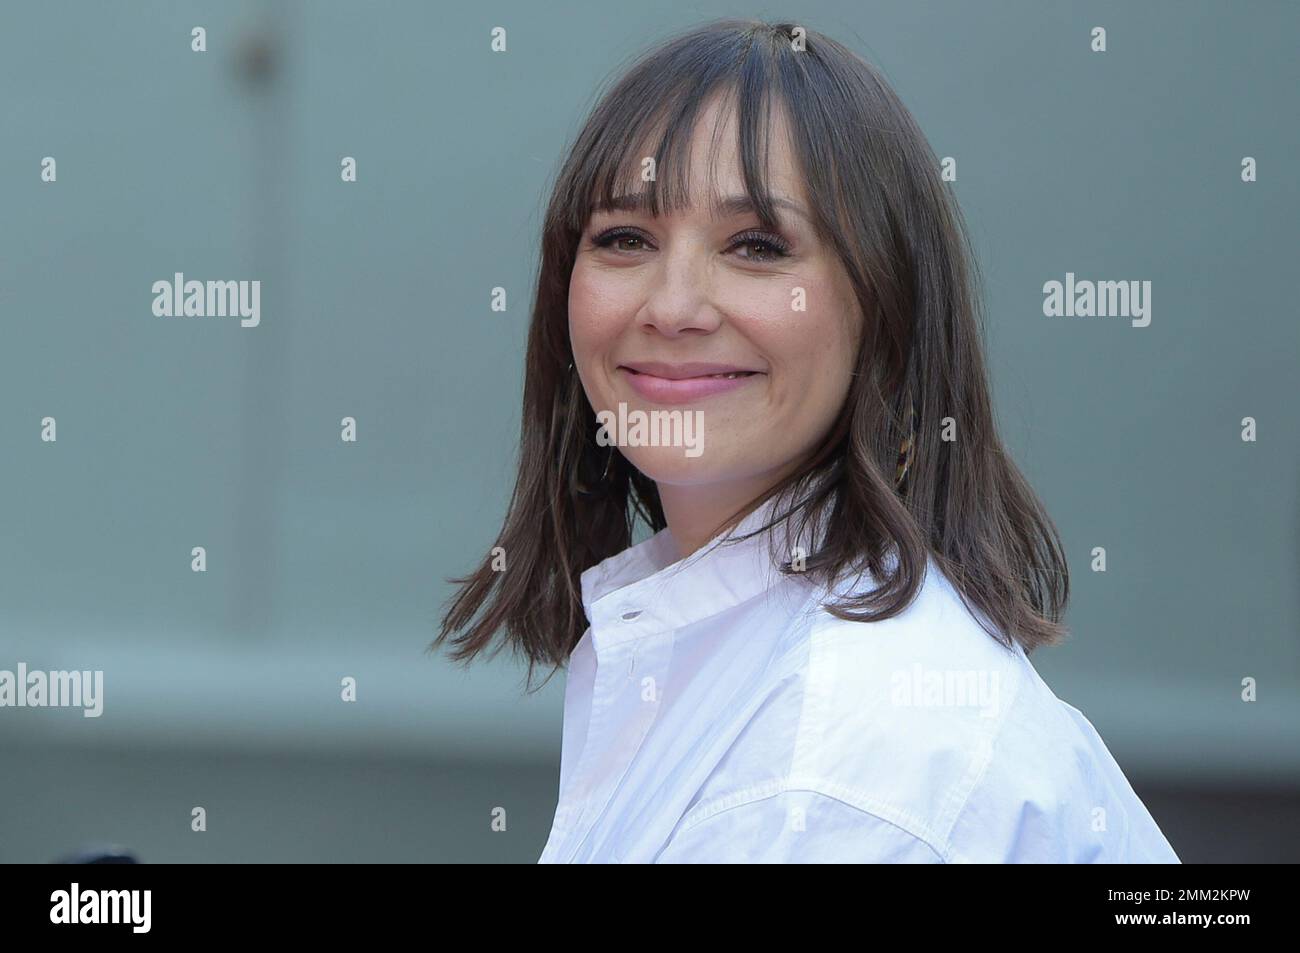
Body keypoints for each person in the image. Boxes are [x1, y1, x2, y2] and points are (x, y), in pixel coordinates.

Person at [433, 18, 1180, 863]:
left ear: (885, 313)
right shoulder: (720, 652)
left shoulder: (830, 779)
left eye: (756, 246)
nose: (673, 305)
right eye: (624, 238)